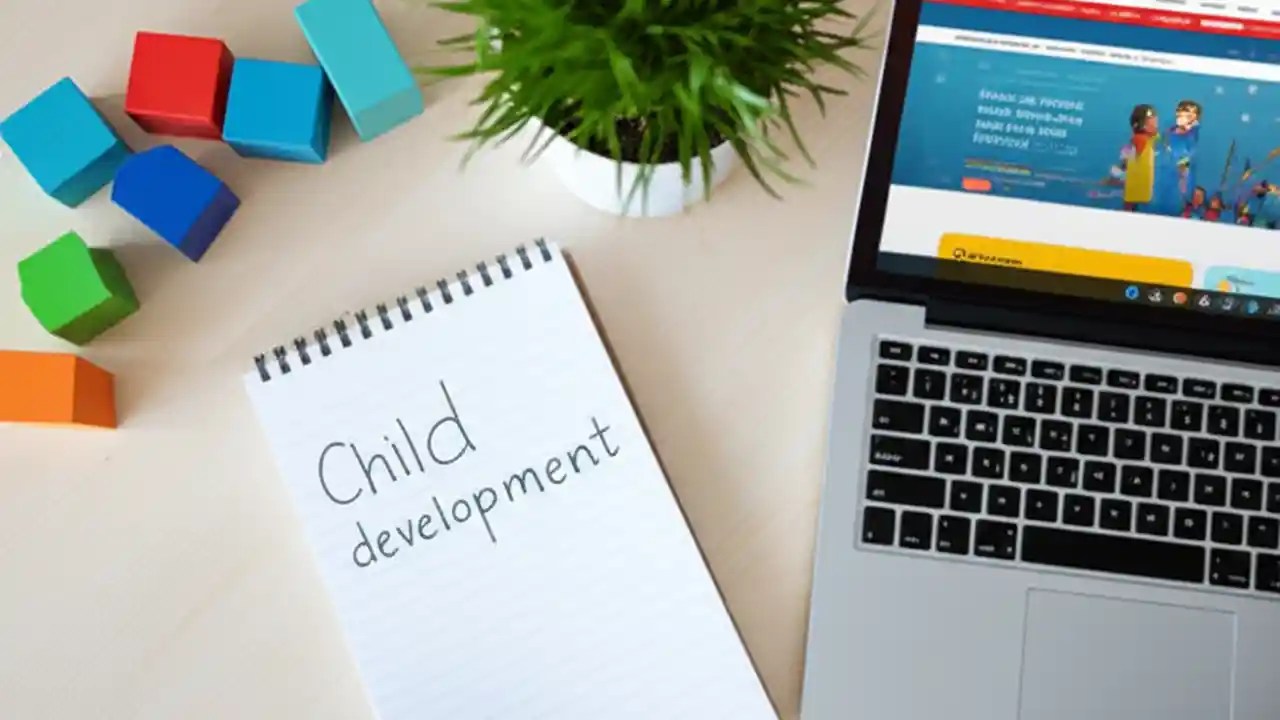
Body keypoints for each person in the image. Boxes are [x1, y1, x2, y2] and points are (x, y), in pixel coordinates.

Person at [1110, 104, 1159, 211]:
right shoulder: (1140, 139)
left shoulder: (1149, 139)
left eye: (1155, 116)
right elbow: (1128, 160)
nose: (1155, 119)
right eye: (1151, 117)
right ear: (1142, 123)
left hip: (1140, 188)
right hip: (1136, 188)